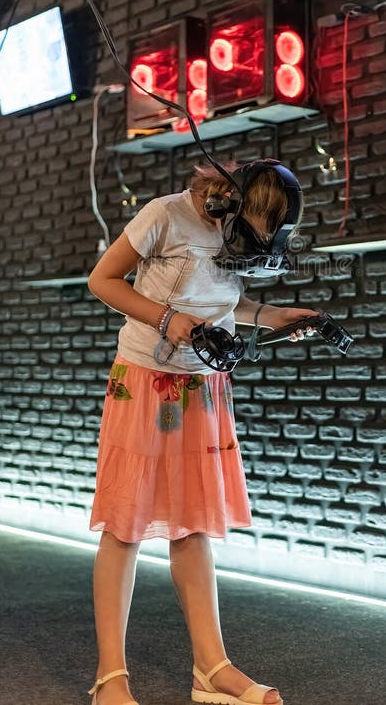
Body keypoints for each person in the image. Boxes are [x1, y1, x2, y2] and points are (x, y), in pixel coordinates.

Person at [86, 159, 318, 705]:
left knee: (192, 524)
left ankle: (211, 670)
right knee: (125, 525)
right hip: (145, 380)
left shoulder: (233, 233)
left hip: (201, 387)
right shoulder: (164, 215)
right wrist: (169, 320)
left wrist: (278, 315)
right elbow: (102, 280)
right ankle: (109, 680)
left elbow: (227, 300)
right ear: (235, 202)